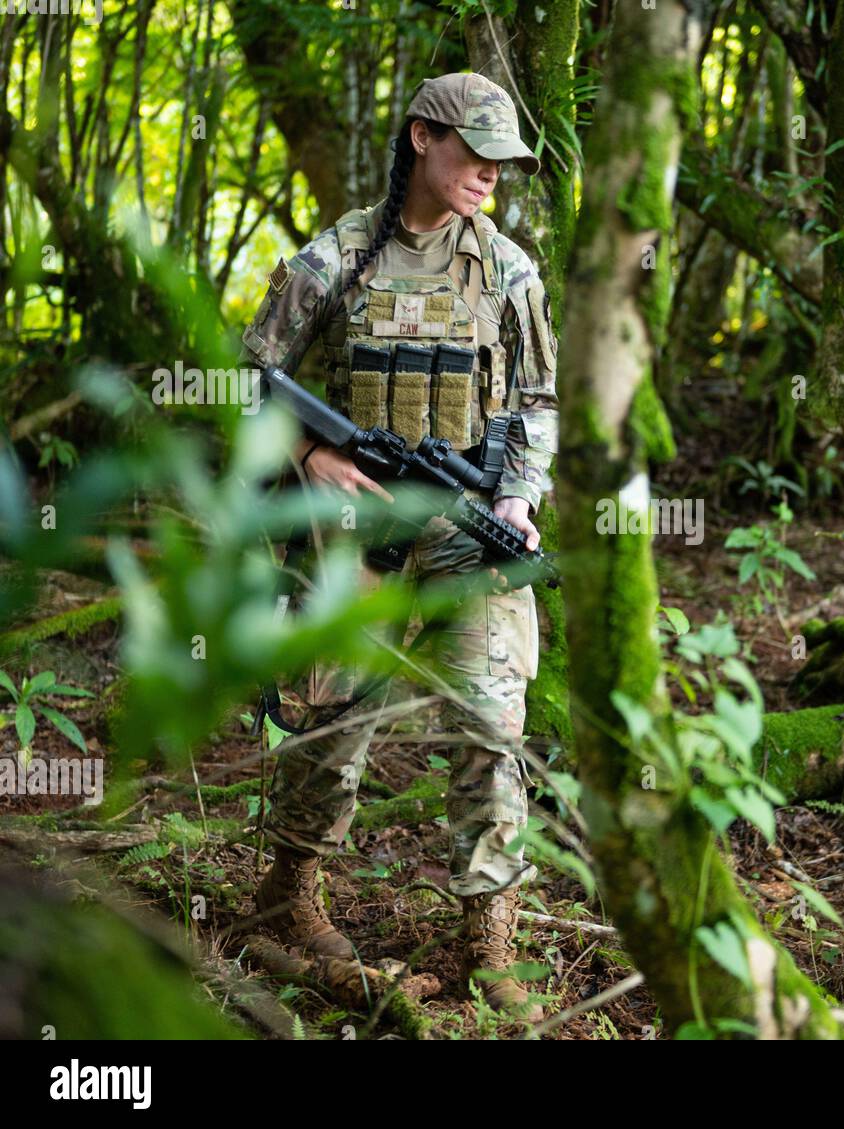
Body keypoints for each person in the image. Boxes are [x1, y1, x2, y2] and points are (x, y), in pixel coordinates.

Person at [237, 72, 559, 1023]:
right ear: (423, 138)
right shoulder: (332, 258)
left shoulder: (508, 271)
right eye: (476, 153)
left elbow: (538, 404)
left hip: (468, 532)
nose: (492, 175)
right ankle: (291, 894)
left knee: (492, 724)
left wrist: (519, 497)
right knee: (330, 723)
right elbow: (250, 380)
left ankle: (489, 934)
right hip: (353, 530)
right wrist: (313, 452)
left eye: (506, 162)